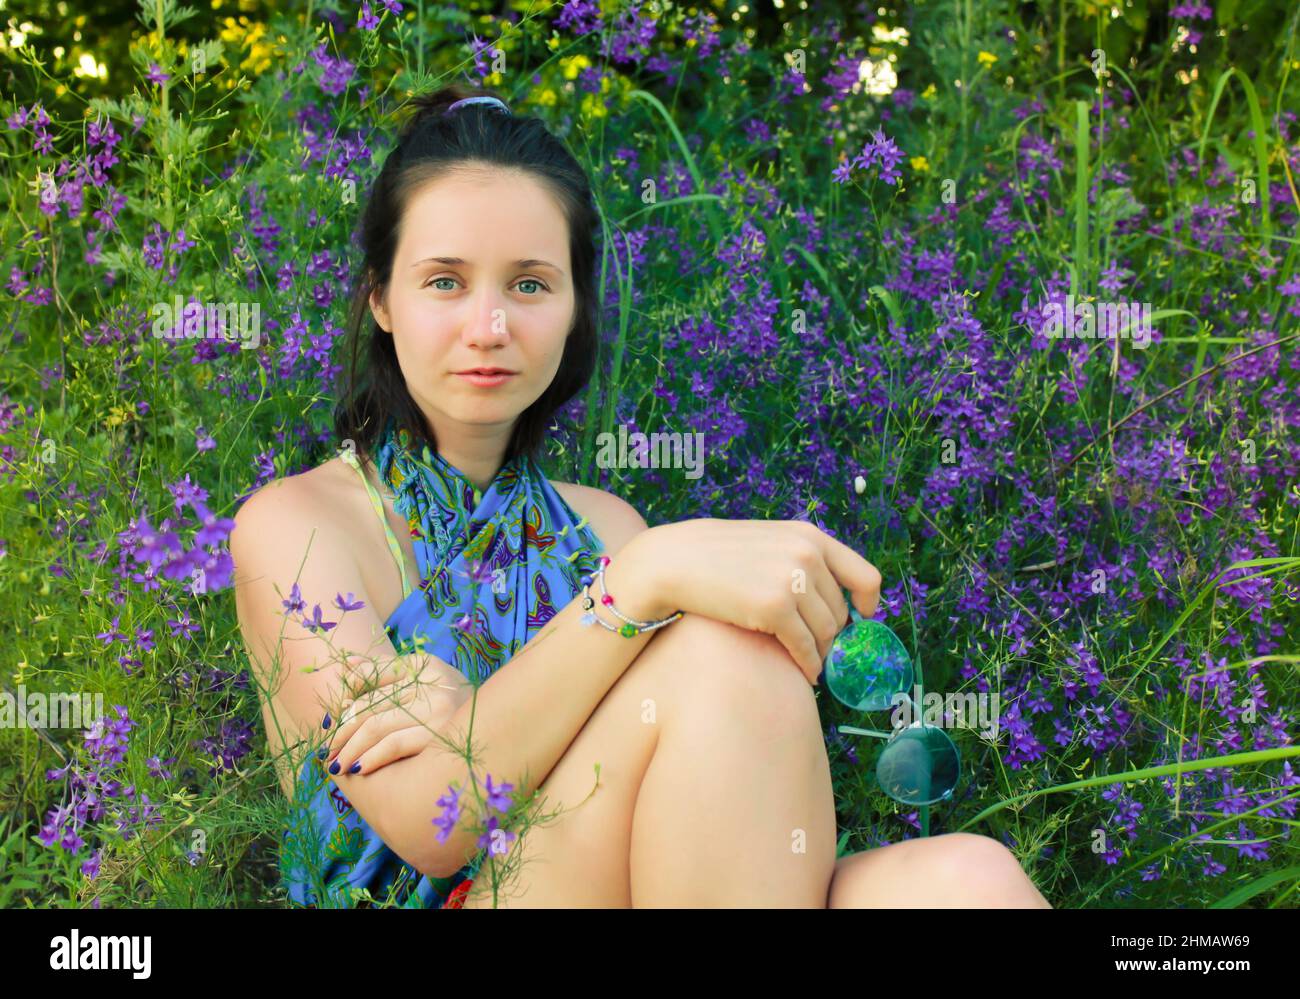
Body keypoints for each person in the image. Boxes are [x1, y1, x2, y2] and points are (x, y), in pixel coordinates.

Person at [230, 84, 1051, 909]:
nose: (489, 326)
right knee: (722, 652)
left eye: (530, 284)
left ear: (574, 306)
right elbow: (431, 815)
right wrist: (637, 580)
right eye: (444, 282)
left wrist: (472, 708)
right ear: (379, 297)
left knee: (964, 880)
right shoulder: (298, 528)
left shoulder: (600, 524)